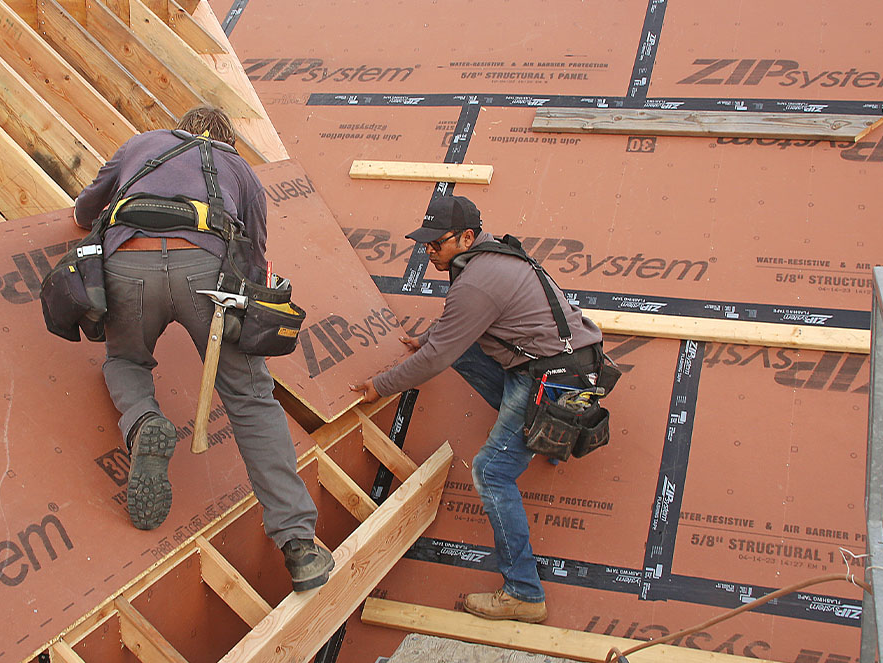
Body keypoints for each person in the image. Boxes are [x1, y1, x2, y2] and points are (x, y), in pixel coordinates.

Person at [74, 106, 333, 592]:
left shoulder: (140, 144)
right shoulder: (239, 169)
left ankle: (144, 421)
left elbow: (85, 210)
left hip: (128, 265)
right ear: (226, 140)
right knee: (252, 402)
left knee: (125, 359)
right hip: (208, 274)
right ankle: (298, 547)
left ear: (182, 128)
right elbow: (253, 255)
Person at [351, 195, 603, 622]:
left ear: (467, 236)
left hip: (554, 378)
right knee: (460, 349)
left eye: (437, 244)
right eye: (424, 244)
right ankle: (536, 433)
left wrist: (380, 386)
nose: (428, 251)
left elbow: (436, 359)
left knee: (490, 472)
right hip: (569, 360)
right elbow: (464, 326)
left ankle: (524, 592)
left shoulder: (475, 281)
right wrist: (433, 337)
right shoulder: (492, 256)